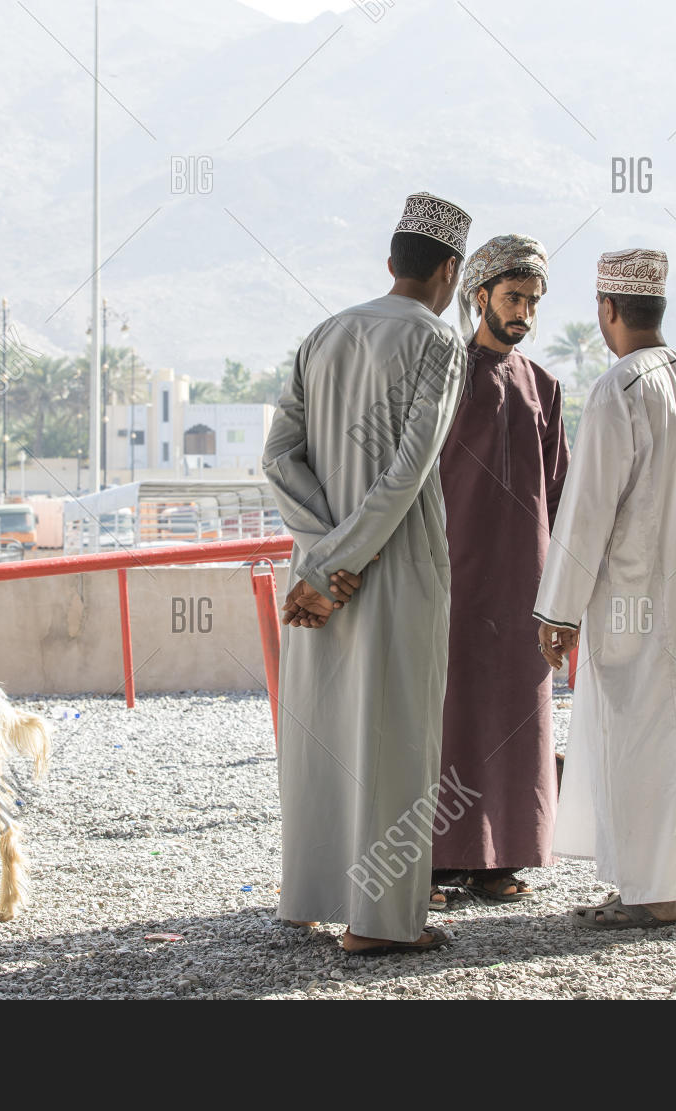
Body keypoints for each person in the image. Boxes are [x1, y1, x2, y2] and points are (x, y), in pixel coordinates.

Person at [264, 192, 470, 954]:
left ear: (390, 264)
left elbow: (278, 458)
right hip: (396, 566)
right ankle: (381, 924)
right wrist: (347, 560)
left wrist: (321, 559)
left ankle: (309, 899)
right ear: (450, 271)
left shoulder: (324, 332)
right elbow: (409, 473)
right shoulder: (440, 344)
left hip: (315, 578)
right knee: (397, 739)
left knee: (323, 734)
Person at [533, 249, 676, 930]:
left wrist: (558, 609)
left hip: (633, 597)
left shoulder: (621, 387)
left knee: (640, 735)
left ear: (608, 310)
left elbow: (586, 510)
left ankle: (650, 894)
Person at [431, 235, 568, 907]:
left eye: (533, 302)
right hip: (454, 576)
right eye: (514, 298)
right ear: (480, 295)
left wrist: (567, 590)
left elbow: (562, 492)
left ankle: (503, 859)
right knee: (452, 716)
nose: (525, 314)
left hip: (527, 589)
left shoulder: (544, 385)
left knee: (521, 717)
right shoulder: (443, 375)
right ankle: (436, 861)